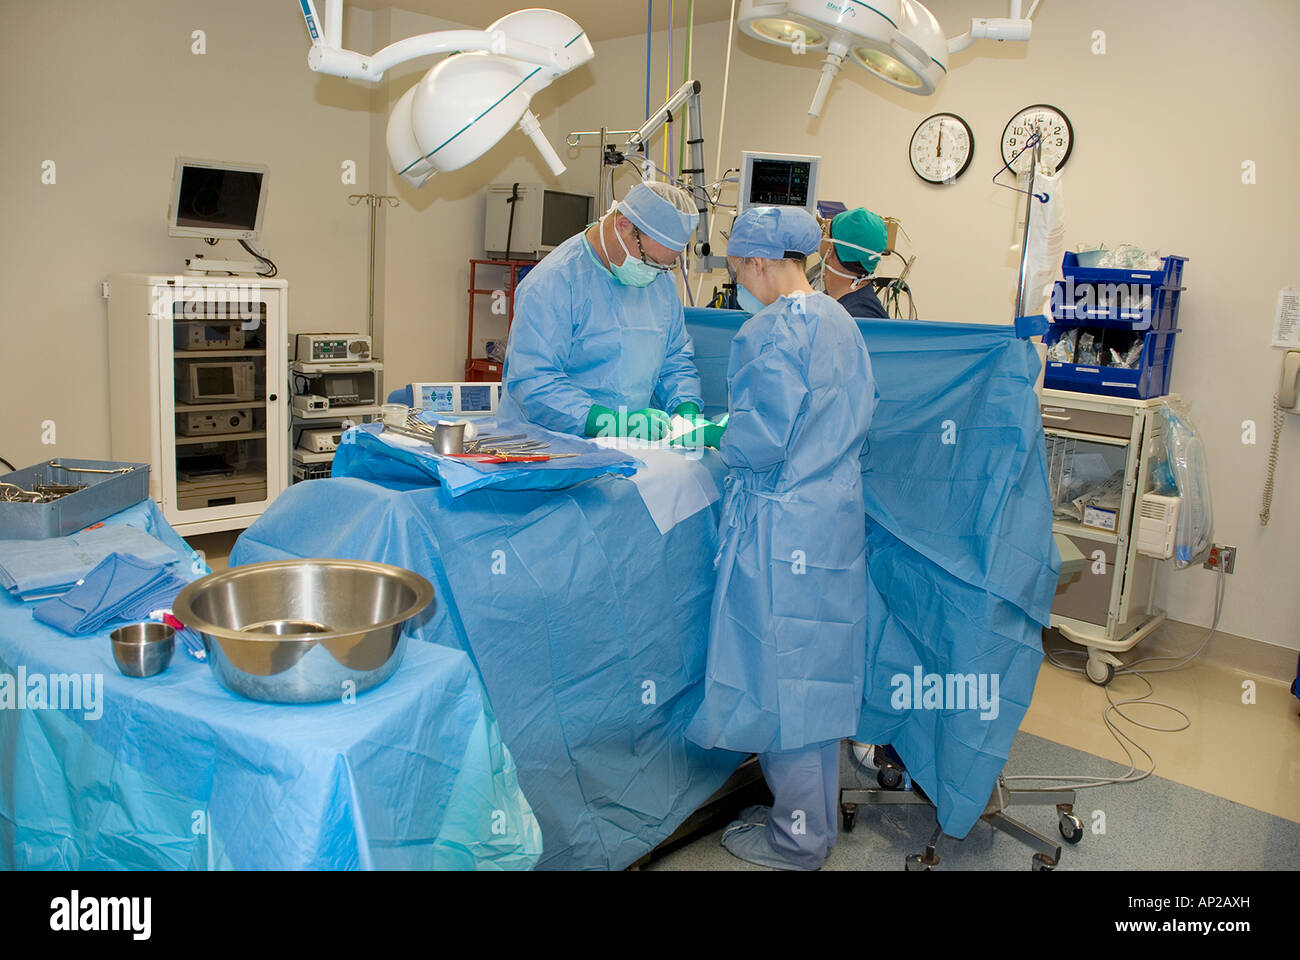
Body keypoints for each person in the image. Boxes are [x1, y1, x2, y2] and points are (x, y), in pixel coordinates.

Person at [686, 205, 876, 870]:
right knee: (815, 682)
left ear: (759, 263)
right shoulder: (839, 321)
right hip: (831, 522)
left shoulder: (773, 331)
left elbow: (761, 438)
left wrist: (708, 434)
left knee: (776, 685)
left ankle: (797, 843)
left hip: (779, 527)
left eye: (739, 269)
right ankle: (810, 822)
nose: (741, 282)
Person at [497, 180, 707, 440]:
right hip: (550, 448)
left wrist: (684, 407)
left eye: (666, 265)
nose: (655, 273)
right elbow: (534, 383)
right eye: (650, 260)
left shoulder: (660, 281)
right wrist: (608, 422)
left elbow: (674, 359)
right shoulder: (552, 283)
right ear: (623, 226)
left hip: (628, 448)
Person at [816, 207, 890, 319]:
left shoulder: (859, 317)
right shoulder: (842, 303)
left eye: (825, 232)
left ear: (830, 249)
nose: (822, 237)